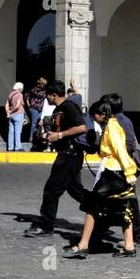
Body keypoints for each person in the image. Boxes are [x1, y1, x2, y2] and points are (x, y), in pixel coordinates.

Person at [64, 102, 140, 259]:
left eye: (95, 116)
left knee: (92, 205)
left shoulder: (112, 127)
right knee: (123, 206)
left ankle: (83, 244)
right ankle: (129, 246)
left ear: (101, 114)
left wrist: (130, 172)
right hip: (115, 170)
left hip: (113, 172)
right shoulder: (112, 125)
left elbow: (120, 150)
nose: (94, 119)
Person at [24, 81, 89, 238]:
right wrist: (50, 136)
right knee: (76, 191)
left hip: (70, 155)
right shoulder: (59, 109)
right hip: (66, 153)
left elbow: (81, 127)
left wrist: (59, 135)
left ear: (54, 95)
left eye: (47, 94)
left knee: (51, 191)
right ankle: (101, 210)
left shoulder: (69, 106)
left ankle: (46, 226)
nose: (45, 97)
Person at [25, 77, 48, 144]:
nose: (44, 85)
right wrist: (28, 103)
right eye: (43, 84)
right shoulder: (34, 89)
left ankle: (38, 137)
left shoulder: (44, 90)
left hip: (41, 108)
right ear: (41, 84)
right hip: (34, 107)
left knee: (39, 123)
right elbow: (27, 95)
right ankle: (32, 138)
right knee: (34, 123)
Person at [5, 82, 25, 152]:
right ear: (20, 88)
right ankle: (18, 147)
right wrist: (12, 111)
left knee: (11, 131)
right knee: (18, 131)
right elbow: (17, 106)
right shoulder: (19, 94)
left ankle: (10, 148)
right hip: (18, 114)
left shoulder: (10, 94)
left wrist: (8, 112)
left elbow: (6, 105)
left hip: (11, 116)